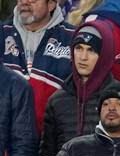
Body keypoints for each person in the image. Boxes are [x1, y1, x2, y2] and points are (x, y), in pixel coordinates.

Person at [2, 0, 72, 138]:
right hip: (6, 143)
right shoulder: (2, 33)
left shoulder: (72, 38)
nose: (25, 2)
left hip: (52, 141)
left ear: (51, 4)